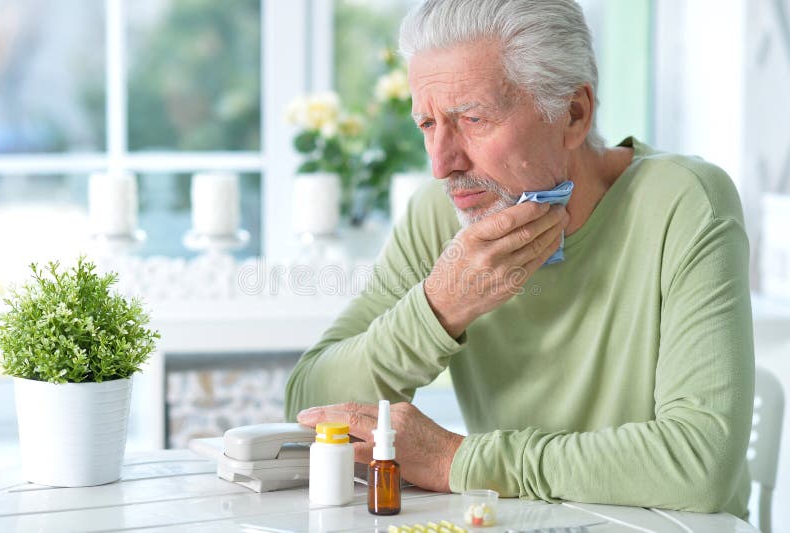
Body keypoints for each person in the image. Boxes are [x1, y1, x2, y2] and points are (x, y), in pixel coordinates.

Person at [284, 0, 753, 517]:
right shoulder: (439, 215)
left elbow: (701, 464)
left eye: (473, 119)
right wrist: (440, 307)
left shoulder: (685, 202)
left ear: (573, 113)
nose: (442, 163)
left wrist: (458, 460)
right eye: (427, 124)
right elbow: (308, 404)